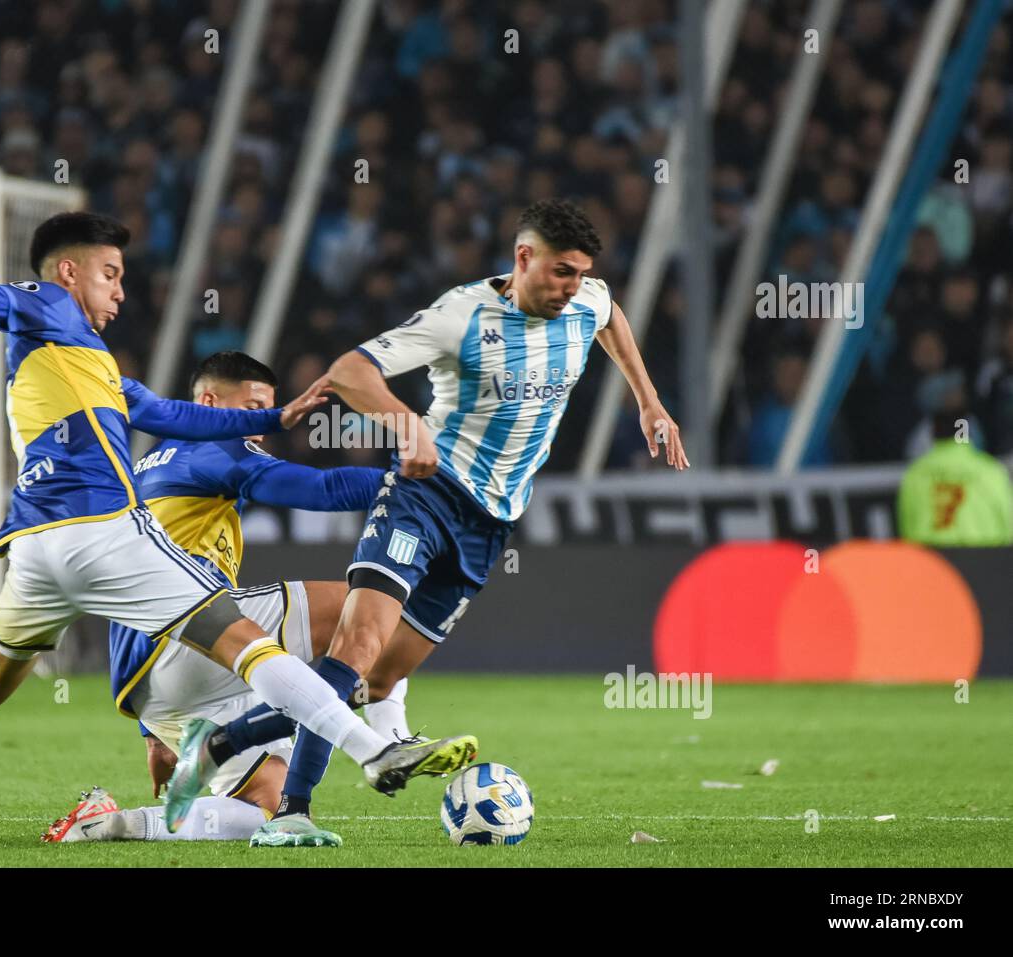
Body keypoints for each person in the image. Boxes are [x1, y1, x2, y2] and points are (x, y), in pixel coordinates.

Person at [0, 213, 476, 847]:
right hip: (101, 529)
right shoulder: (49, 305)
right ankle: (378, 746)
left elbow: (174, 412)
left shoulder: (94, 368)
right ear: (69, 273)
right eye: (111, 273)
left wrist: (277, 416)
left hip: (37, 552)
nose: (121, 290)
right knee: (263, 641)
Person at [165, 198, 690, 847]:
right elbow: (350, 371)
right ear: (523, 258)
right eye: (560, 272)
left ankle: (223, 740)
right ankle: (292, 811)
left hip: (491, 521)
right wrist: (405, 423)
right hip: (425, 492)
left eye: (580, 273)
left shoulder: (587, 300)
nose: (571, 287)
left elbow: (610, 318)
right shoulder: (463, 315)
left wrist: (649, 401)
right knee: (354, 651)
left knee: (380, 677)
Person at [43, 351, 424, 845]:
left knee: (259, 806)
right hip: (189, 641)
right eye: (254, 406)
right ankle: (390, 741)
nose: (262, 424)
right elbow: (323, 487)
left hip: (152, 680)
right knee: (369, 608)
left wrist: (151, 731)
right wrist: (421, 488)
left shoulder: (154, 464)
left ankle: (112, 823)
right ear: (208, 402)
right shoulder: (214, 447)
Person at [897, 410, 1013, 546]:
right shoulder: (990, 471)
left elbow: (907, 529)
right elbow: (1008, 526)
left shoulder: (915, 474)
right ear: (968, 432)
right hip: (984, 558)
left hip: (932, 560)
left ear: (933, 433)